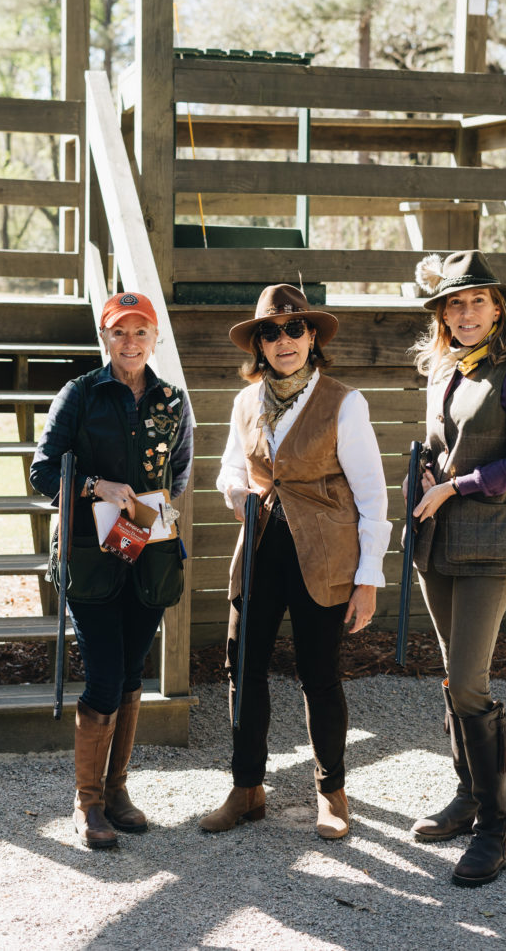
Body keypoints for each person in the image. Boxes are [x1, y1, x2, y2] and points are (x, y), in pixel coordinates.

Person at [199, 284, 391, 840]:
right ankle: (247, 789)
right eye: (270, 332)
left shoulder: (344, 402)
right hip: (260, 550)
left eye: (293, 329)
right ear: (259, 344)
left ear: (311, 337)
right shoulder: (246, 402)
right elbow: (231, 467)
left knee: (319, 674)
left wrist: (368, 579)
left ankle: (332, 793)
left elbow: (372, 496)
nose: (283, 341)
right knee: (242, 669)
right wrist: (235, 491)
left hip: (325, 555)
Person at [31, 291, 193, 849]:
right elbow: (42, 472)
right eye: (119, 331)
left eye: (140, 331)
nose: (130, 342)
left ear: (155, 337)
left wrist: (147, 510)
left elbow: (180, 473)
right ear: (104, 337)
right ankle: (88, 803)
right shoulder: (79, 394)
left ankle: (117, 791)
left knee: (129, 675)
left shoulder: (172, 401)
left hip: (149, 551)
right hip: (88, 555)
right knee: (103, 674)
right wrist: (96, 487)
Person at [407, 250, 506, 887]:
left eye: (478, 301)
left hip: (491, 543)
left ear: (498, 309)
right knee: (452, 676)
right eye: (455, 303)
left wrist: (455, 486)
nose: (466, 313)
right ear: (443, 313)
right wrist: (425, 473)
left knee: (469, 682)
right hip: (437, 541)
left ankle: (494, 827)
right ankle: (468, 796)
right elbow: (445, 447)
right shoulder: (444, 367)